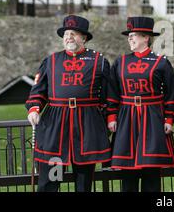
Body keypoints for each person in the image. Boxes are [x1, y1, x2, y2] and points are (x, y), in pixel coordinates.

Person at [26, 15, 111, 192]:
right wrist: (34, 109)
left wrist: (107, 117)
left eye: (73, 33)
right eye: (66, 34)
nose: (68, 37)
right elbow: (38, 91)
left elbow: (108, 96)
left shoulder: (99, 61)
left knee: (83, 183)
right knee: (52, 179)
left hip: (86, 127)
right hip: (56, 129)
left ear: (84, 38)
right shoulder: (51, 61)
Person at [106, 17, 174, 192]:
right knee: (128, 173)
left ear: (146, 37)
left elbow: (172, 93)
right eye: (129, 36)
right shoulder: (120, 62)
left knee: (151, 173)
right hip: (126, 119)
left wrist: (169, 119)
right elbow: (112, 92)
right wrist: (112, 116)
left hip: (152, 118)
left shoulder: (161, 62)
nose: (130, 39)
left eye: (134, 35)